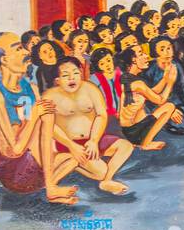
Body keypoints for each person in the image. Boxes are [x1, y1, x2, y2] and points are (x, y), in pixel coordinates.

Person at [0, 31, 70, 203]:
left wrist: (73, 146)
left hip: (38, 168)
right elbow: (16, 150)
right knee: (42, 116)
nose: (26, 52)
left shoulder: (31, 87)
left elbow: (46, 126)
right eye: (18, 49)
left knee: (75, 154)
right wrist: (34, 115)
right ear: (4, 60)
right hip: (15, 172)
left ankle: (50, 186)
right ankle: (51, 188)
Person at [40, 57, 135, 197]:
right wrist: (71, 145)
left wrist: (94, 140)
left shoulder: (90, 88)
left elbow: (101, 115)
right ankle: (71, 160)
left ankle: (107, 181)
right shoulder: (49, 96)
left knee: (126, 146)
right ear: (57, 80)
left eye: (76, 73)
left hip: (94, 139)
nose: (72, 78)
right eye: (66, 75)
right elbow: (49, 126)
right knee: (100, 171)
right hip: (68, 144)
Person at [115, 45, 179, 150]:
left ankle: (141, 141)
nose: (146, 56)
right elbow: (160, 100)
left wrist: (165, 77)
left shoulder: (127, 78)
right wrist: (170, 83)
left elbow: (152, 92)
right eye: (141, 54)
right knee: (169, 106)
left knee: (143, 110)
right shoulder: (138, 84)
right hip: (133, 131)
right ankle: (145, 144)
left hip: (128, 129)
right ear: (133, 60)